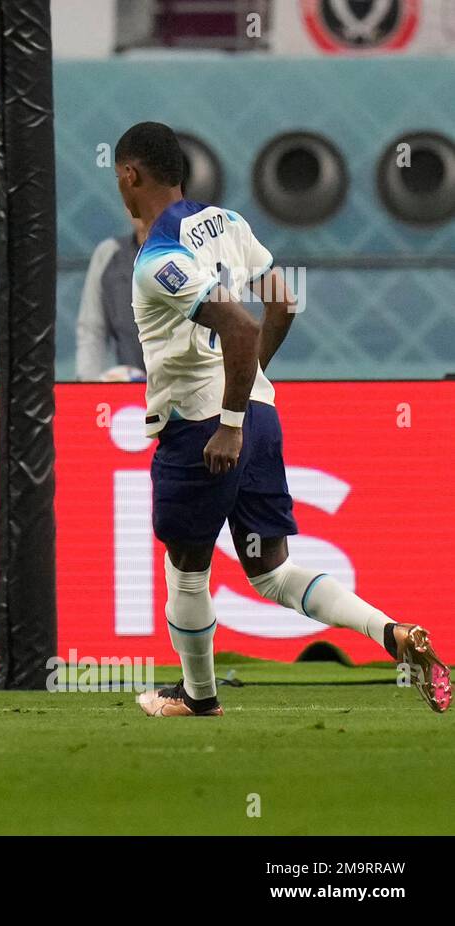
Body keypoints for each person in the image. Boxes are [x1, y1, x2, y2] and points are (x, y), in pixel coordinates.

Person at [114, 121, 449, 717]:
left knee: (187, 567)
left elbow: (240, 325)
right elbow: (283, 299)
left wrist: (229, 417)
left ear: (129, 175)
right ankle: (392, 634)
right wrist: (249, 381)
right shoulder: (227, 223)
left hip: (203, 430)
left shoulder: (155, 260)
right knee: (271, 570)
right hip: (260, 417)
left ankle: (198, 696)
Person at [75, 211, 148, 381]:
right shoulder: (108, 253)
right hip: (131, 396)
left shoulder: (212, 253)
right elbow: (91, 330)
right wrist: (89, 390)